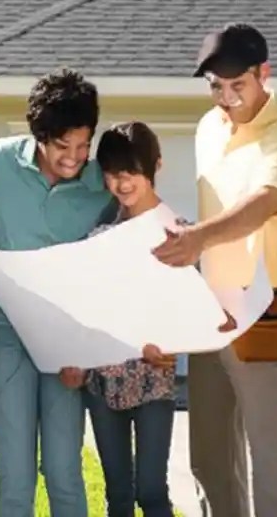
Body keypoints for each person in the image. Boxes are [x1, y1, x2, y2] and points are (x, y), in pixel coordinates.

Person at [152, 23, 277, 517]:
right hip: (213, 314)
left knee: (275, 468)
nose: (226, 98)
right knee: (211, 462)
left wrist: (199, 239)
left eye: (237, 85)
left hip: (268, 317)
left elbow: (262, 204)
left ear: (263, 73)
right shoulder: (208, 128)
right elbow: (220, 208)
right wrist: (190, 234)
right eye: (216, 87)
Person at [0, 67, 117, 517]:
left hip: (66, 333)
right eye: (63, 146)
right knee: (15, 473)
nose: (74, 157)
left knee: (64, 469)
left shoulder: (101, 185)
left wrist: (85, 347)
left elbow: (115, 260)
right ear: (39, 136)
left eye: (83, 145)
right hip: (4, 326)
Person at [83, 121, 182, 517]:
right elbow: (88, 308)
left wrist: (172, 342)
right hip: (103, 380)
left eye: (132, 172)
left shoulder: (179, 235)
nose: (122, 183)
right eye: (113, 173)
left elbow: (190, 309)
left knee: (152, 492)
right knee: (118, 495)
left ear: (156, 166)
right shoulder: (98, 237)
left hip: (153, 379)